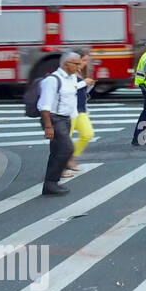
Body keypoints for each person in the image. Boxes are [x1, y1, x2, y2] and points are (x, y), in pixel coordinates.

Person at [37, 52, 82, 196]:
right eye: (75, 63)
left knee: (57, 151)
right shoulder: (53, 80)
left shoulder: (71, 78)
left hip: (65, 118)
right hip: (54, 119)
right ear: (65, 63)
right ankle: (51, 182)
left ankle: (50, 185)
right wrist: (48, 126)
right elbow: (44, 106)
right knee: (67, 149)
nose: (78, 66)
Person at [65, 51, 95, 176]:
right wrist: (84, 83)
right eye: (83, 60)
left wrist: (88, 85)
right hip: (70, 110)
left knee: (87, 134)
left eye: (86, 61)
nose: (84, 63)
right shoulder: (69, 73)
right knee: (66, 139)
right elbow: (67, 88)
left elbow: (82, 91)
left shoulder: (81, 73)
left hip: (81, 109)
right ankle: (63, 165)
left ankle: (71, 157)